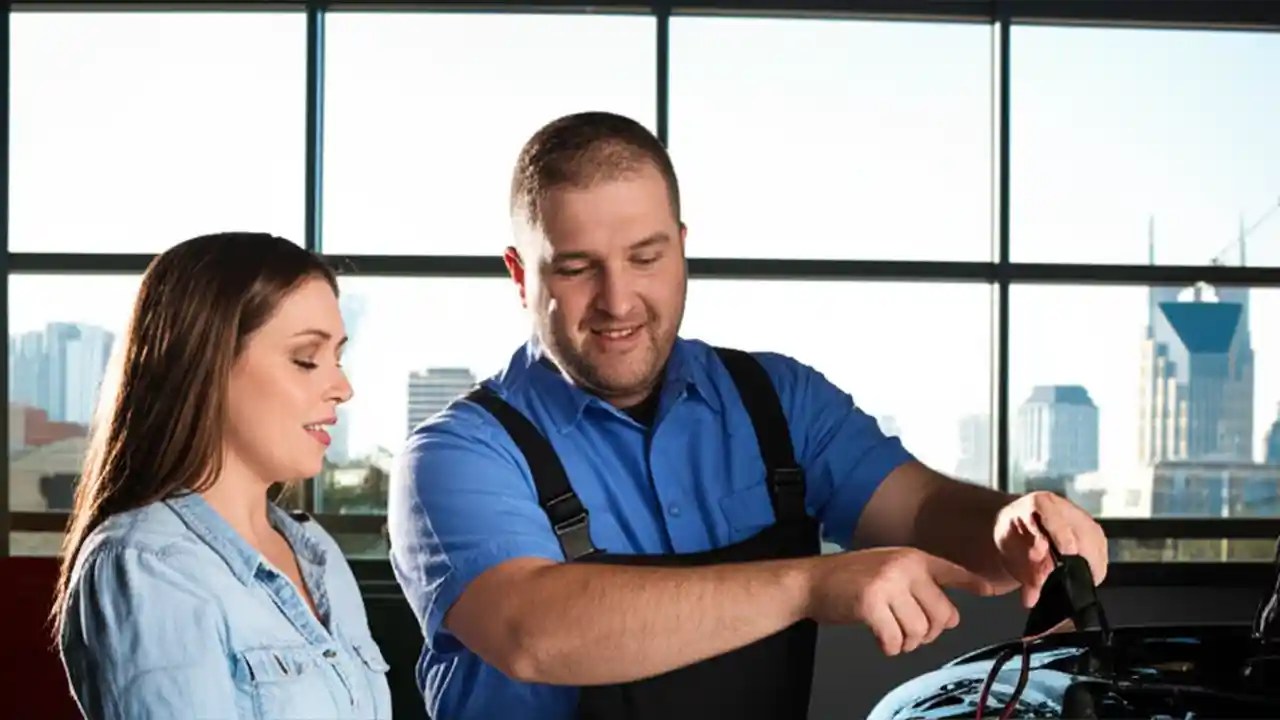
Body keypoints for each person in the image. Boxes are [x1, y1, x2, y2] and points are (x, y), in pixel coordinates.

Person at [386, 111, 1109, 720]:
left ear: (683, 249)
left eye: (646, 257)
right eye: (577, 268)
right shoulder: (457, 455)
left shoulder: (778, 401)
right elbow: (531, 630)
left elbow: (919, 509)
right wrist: (811, 584)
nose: (617, 300)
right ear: (519, 274)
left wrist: (1008, 526)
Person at [52, 232, 393, 720]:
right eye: (306, 360)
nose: (342, 387)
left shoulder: (317, 554)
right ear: (208, 362)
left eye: (337, 358)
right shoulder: (148, 565)